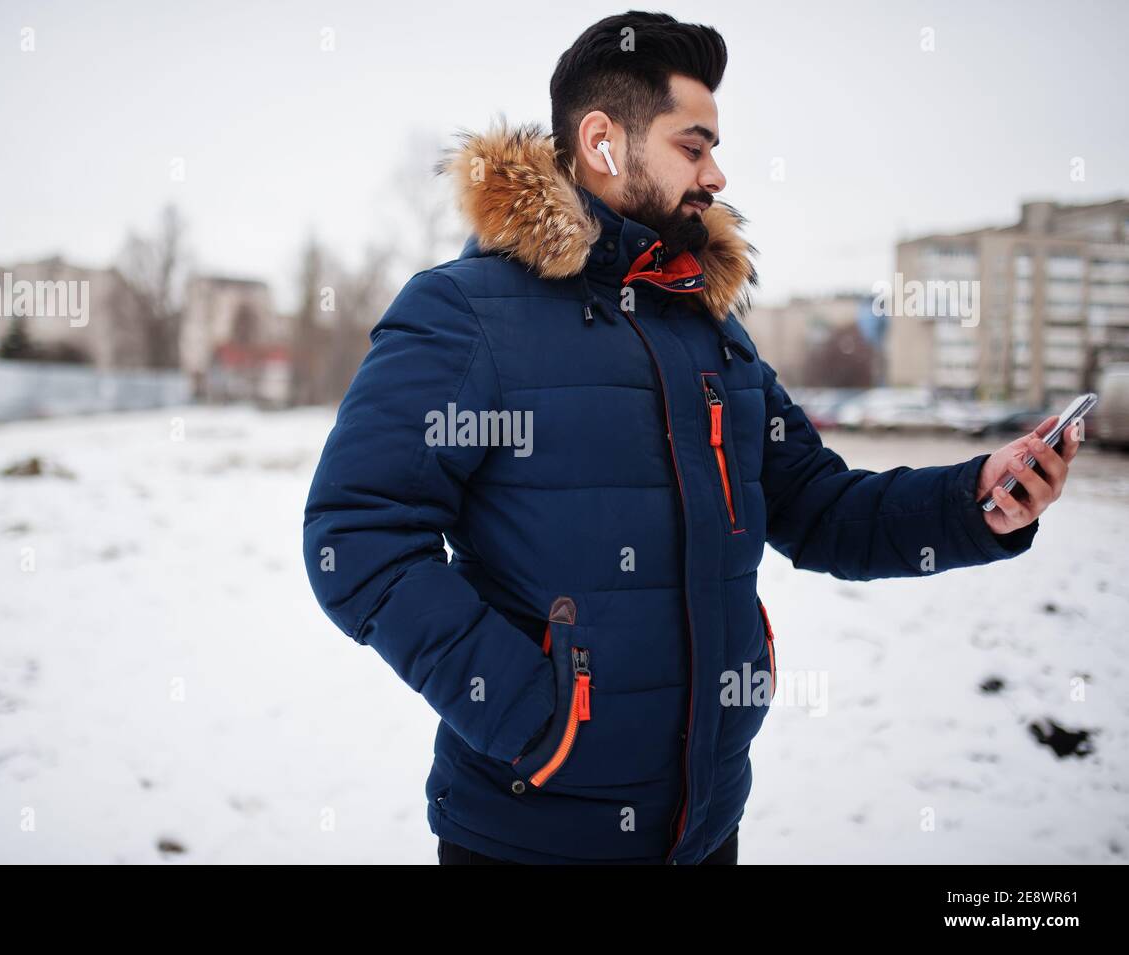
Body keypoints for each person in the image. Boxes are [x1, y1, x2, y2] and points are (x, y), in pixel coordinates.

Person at [302, 11, 1080, 865]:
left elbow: (817, 506)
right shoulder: (466, 314)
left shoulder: (706, 327)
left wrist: (977, 501)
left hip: (703, 829)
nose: (716, 174)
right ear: (603, 140)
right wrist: (533, 714)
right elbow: (357, 533)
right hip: (531, 837)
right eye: (694, 145)